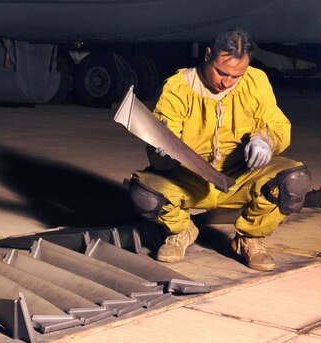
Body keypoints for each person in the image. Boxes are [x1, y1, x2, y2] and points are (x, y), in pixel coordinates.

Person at [127, 28, 311, 271]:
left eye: (237, 76)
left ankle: (250, 238)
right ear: (207, 55)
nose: (227, 82)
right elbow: (161, 141)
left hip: (240, 177)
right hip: (190, 179)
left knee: (294, 179)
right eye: (221, 72)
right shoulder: (178, 87)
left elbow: (277, 125)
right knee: (144, 193)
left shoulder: (256, 81)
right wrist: (162, 149)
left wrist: (265, 140)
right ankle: (181, 231)